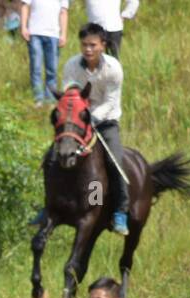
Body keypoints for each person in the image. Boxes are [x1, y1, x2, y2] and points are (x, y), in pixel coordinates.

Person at [63, 22, 129, 234]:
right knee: (57, 152)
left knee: (114, 162)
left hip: (106, 121)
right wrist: (80, 118)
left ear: (103, 45)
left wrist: (91, 117)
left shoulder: (113, 69)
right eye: (84, 45)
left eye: (92, 45)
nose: (88, 49)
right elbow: (70, 95)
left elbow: (111, 102)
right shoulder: (72, 65)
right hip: (79, 121)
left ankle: (120, 211)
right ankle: (50, 204)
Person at [21, 1, 70, 106]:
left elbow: (63, 12)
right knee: (36, 67)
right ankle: (38, 98)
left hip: (53, 34)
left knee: (52, 69)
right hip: (34, 32)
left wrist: (63, 34)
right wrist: (24, 27)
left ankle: (50, 99)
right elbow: (25, 6)